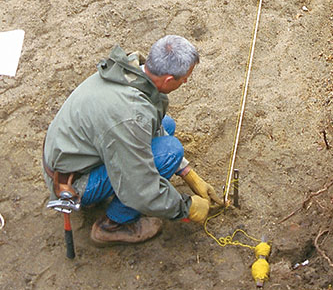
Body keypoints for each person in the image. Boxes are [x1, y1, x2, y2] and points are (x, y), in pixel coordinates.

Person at [42, 35, 222, 245]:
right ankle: (111, 225)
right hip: (72, 184)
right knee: (170, 152)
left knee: (167, 125)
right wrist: (185, 206)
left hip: (74, 157)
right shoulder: (131, 115)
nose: (186, 81)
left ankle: (107, 198)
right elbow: (140, 187)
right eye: (184, 78)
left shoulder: (128, 70)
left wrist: (187, 173)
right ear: (168, 80)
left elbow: (145, 125)